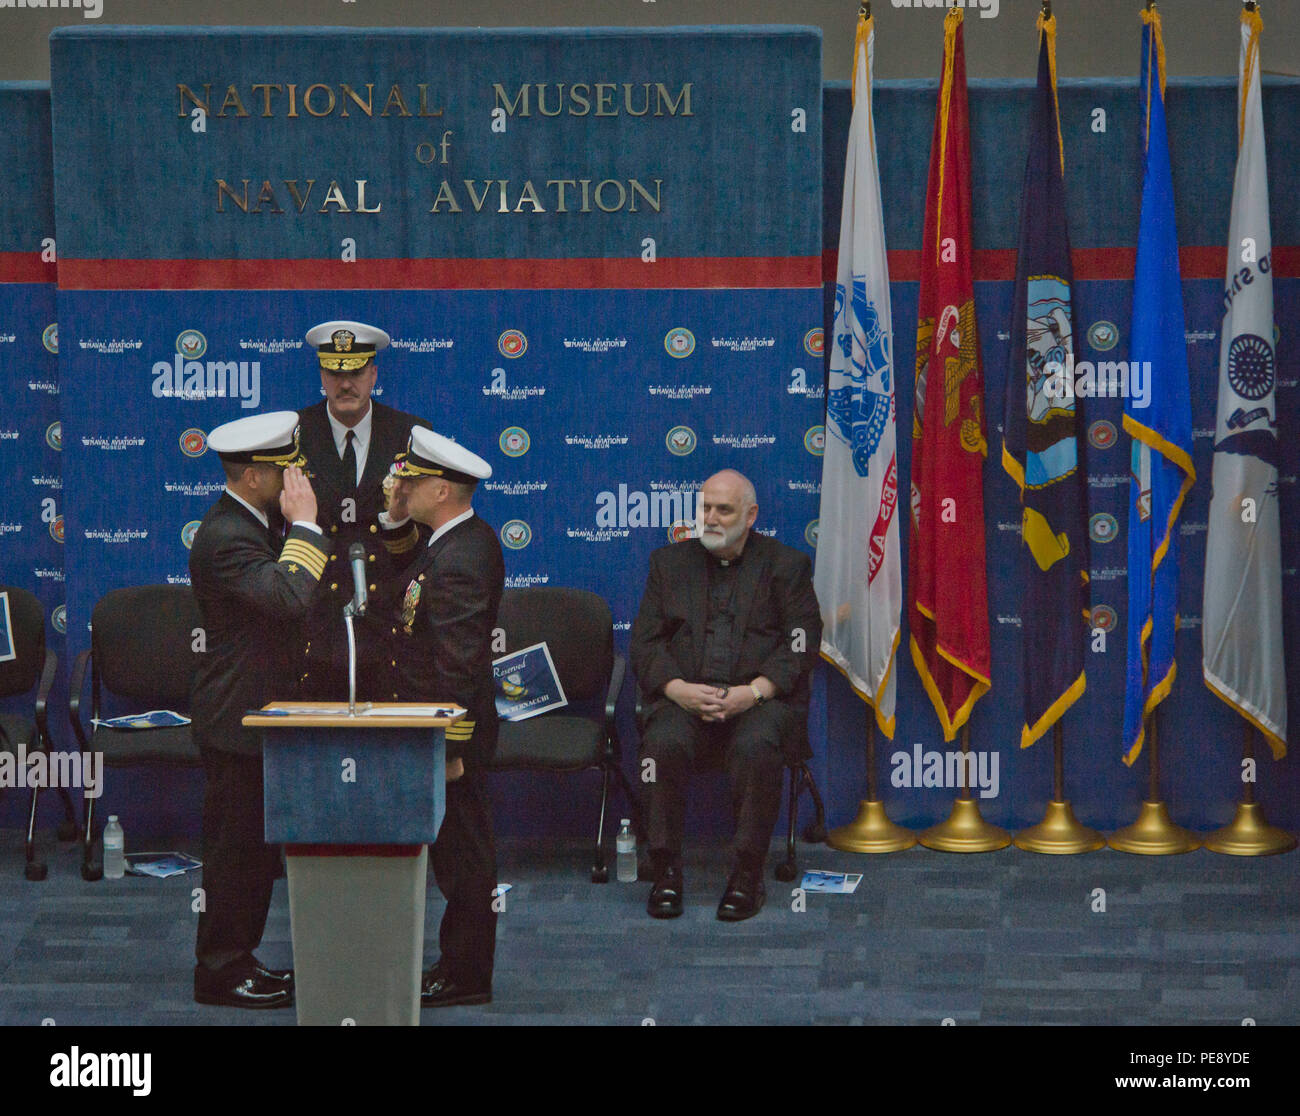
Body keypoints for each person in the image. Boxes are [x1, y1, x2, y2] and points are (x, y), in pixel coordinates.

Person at [629, 469, 822, 922]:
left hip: (758, 703)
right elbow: (644, 643)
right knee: (662, 744)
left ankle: (747, 874)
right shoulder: (667, 564)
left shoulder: (786, 566)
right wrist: (677, 690)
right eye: (705, 508)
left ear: (751, 515)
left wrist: (754, 692)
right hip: (685, 701)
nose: (711, 518)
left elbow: (801, 642)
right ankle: (666, 870)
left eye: (724, 509)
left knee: (757, 745)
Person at [189, 411, 331, 1008]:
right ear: (253, 477)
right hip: (236, 715)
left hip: (258, 712)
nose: (296, 476)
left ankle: (240, 959)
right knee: (235, 854)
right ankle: (221, 970)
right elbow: (287, 597)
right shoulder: (227, 535)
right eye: (285, 468)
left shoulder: (252, 521)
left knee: (250, 853)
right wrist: (307, 526)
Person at [377, 426, 504, 1007]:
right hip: (434, 728)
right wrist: (397, 517)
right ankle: (458, 966)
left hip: (450, 735)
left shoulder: (462, 556)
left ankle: (465, 974)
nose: (403, 483)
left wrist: (448, 747)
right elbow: (411, 591)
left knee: (464, 856)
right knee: (456, 850)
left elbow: (460, 662)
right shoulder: (452, 541)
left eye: (415, 479)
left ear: (445, 491)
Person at [297, 320, 427, 700]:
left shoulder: (412, 434)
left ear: (373, 373)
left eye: (354, 372)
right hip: (317, 627)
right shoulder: (295, 435)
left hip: (388, 625)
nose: (345, 384)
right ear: (322, 374)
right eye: (335, 373)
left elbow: (427, 537)